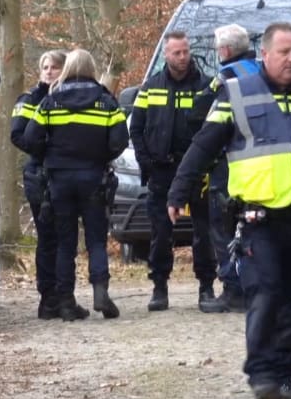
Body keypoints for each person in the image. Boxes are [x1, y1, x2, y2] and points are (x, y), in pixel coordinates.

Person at [166, 22, 291, 399]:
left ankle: (283, 377)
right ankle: (261, 374)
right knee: (266, 293)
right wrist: (178, 191)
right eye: (284, 52)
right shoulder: (236, 95)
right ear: (265, 54)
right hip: (258, 221)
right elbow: (202, 147)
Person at [21, 49, 129, 321]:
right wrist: (101, 156)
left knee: (65, 243)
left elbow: (31, 138)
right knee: (95, 239)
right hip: (94, 179)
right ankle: (100, 292)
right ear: (92, 69)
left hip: (59, 181)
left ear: (67, 68)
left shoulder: (50, 101)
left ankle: (67, 302)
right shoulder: (106, 101)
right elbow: (120, 140)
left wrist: (51, 154)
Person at [129, 31, 221, 313]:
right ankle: (159, 287)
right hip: (162, 171)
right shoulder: (151, 87)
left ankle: (206, 286)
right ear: (166, 55)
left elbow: (217, 128)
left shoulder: (206, 86)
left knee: (204, 232)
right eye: (176, 53)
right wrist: (147, 163)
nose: (182, 57)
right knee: (160, 233)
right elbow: (136, 128)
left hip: (197, 170)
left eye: (185, 52)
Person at [205, 24, 261, 312]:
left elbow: (204, 113)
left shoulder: (226, 77)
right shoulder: (262, 71)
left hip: (228, 164)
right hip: (260, 165)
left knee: (222, 227)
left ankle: (232, 289)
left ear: (225, 51)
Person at [11, 50, 69, 320]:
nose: (48, 71)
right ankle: (48, 298)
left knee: (65, 238)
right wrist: (45, 148)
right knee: (47, 238)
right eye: (45, 67)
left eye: (55, 67)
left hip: (67, 174)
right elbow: (17, 134)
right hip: (39, 174)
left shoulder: (74, 96)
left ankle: (64, 294)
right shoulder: (29, 99)